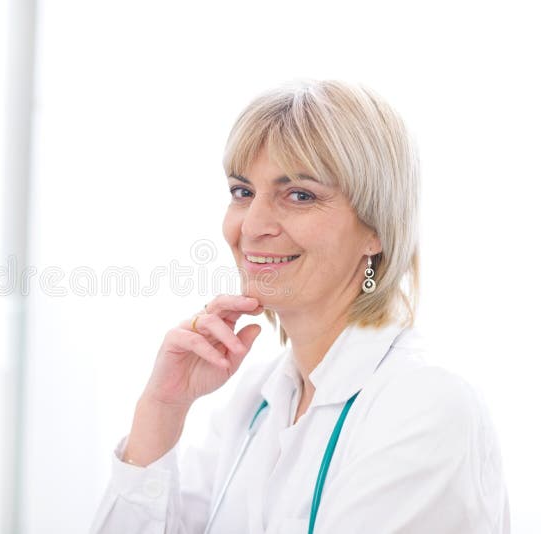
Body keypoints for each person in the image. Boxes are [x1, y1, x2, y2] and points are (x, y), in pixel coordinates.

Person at [89, 80, 510, 533]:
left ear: (377, 229)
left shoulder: (426, 405)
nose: (252, 225)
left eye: (300, 195)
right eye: (242, 192)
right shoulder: (257, 398)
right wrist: (162, 409)